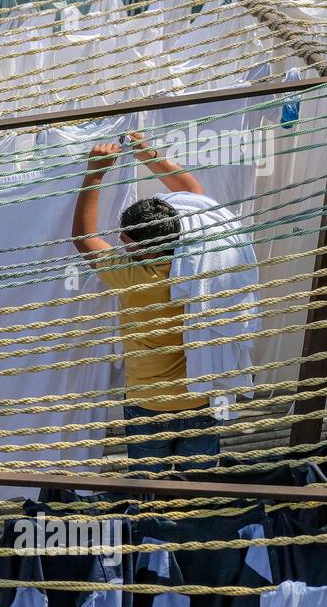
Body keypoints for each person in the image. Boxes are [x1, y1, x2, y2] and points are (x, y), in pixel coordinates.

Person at [71, 131, 220, 476]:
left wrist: (94, 173)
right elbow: (193, 192)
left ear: (149, 250)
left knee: (148, 487)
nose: (122, 244)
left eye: (128, 240)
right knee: (198, 489)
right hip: (199, 399)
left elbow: (84, 238)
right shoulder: (201, 253)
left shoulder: (136, 277)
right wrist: (146, 154)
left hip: (147, 404)